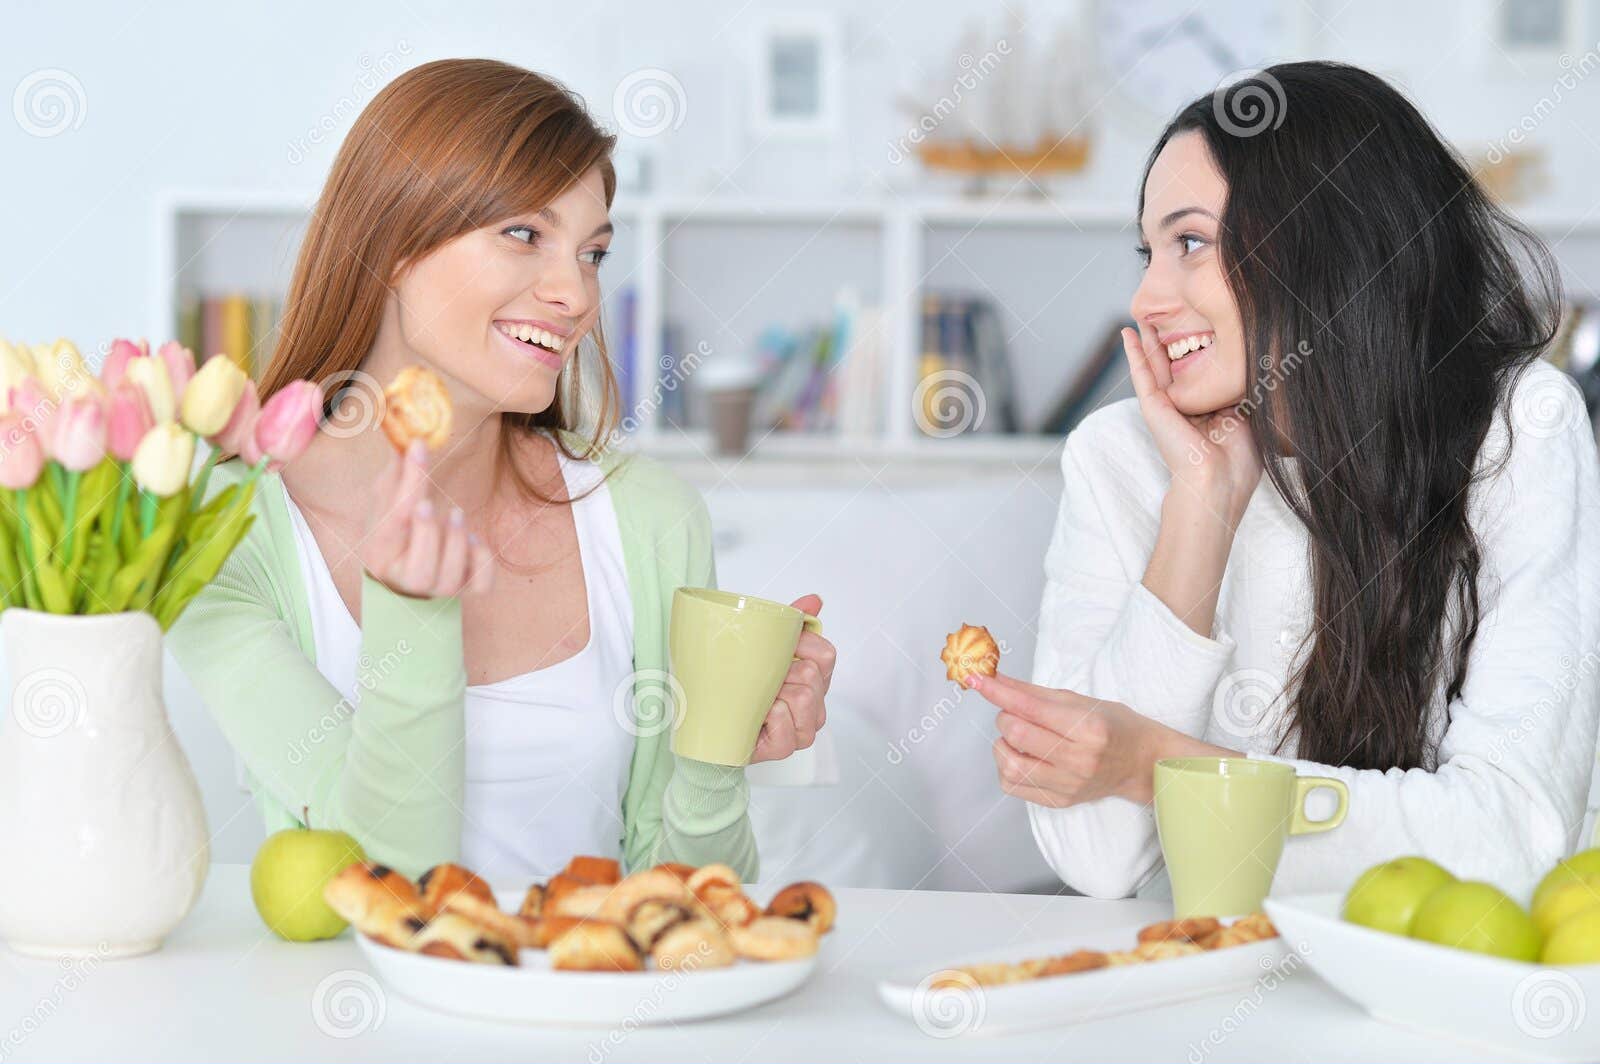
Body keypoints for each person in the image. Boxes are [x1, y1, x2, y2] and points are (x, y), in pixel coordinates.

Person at [168, 59, 836, 882]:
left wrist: (717, 754)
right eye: (524, 233)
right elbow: (386, 881)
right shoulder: (219, 535)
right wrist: (412, 610)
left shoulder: (649, 519)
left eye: (592, 252)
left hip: (597, 1003)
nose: (576, 294)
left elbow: (692, 907)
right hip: (349, 1010)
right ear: (392, 241)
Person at [970, 61, 1600, 897]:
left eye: (1190, 242)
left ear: (1327, 242)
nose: (1149, 296)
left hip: (1423, 990)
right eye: (1148, 251)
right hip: (1183, 977)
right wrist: (1202, 503)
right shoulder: (1117, 453)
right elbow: (1097, 861)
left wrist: (1153, 764)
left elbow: (1513, 834)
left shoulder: (1520, 426)